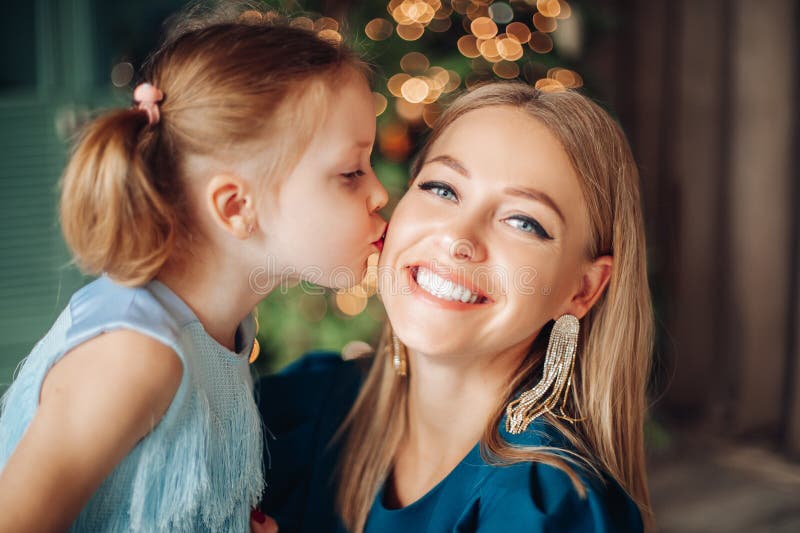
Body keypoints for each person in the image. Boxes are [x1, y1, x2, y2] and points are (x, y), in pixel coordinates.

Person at [0, 6, 387, 531]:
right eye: (351, 172)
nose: (379, 193)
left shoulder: (224, 326)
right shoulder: (135, 356)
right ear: (236, 207)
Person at [259, 82, 653, 532]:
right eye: (443, 189)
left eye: (523, 221)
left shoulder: (550, 509)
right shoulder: (303, 409)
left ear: (582, 289)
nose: (459, 239)